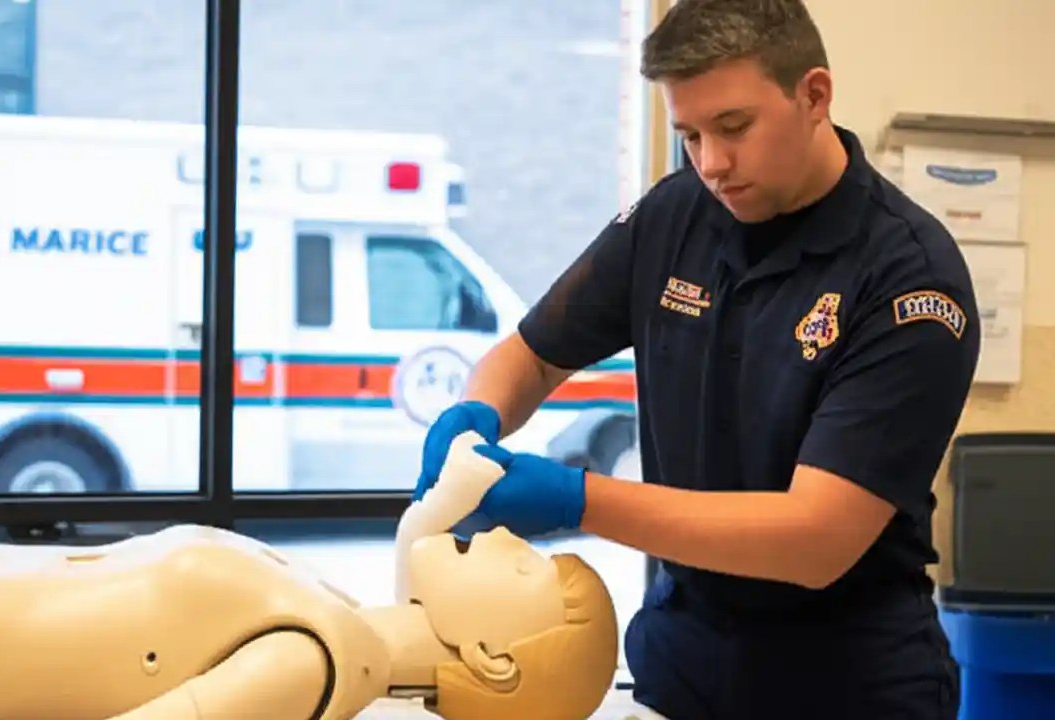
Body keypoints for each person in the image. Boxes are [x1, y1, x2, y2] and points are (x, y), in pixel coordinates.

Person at [413, 1, 980, 718]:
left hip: (844, 680)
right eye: (689, 135)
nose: (712, 163)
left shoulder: (907, 278)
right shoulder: (673, 217)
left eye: (734, 128)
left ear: (814, 95)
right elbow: (532, 354)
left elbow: (815, 540)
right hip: (684, 661)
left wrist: (575, 498)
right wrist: (477, 414)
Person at [0, 523, 617, 720]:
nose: (506, 535)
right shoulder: (342, 618)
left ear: (490, 660)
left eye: (522, 566)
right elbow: (423, 537)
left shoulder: (317, 661)